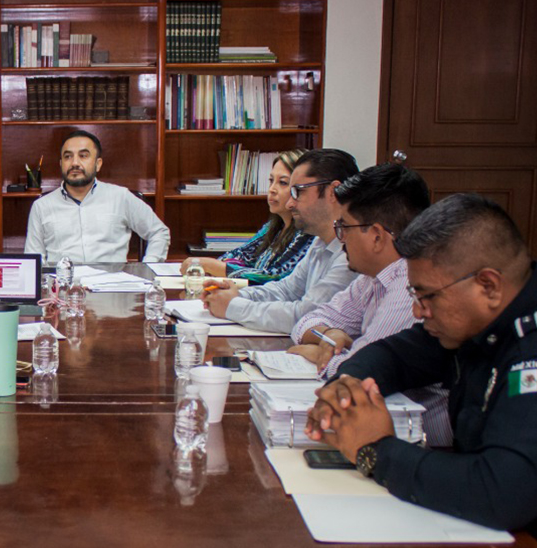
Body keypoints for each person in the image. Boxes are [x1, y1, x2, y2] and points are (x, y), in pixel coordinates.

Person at [307, 194, 537, 548]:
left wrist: (376, 450)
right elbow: (397, 354)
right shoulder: (477, 318)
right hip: (488, 533)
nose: (418, 311)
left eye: (426, 296)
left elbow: (501, 492)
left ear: (488, 285)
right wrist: (345, 385)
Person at [286, 162, 451, 446]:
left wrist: (317, 353)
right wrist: (329, 334)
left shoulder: (408, 286)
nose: (341, 238)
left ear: (376, 235)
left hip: (425, 445)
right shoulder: (371, 279)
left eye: (344, 227)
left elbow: (358, 373)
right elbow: (308, 320)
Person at [201, 148, 360, 334]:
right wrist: (236, 294)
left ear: (332, 192)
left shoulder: (352, 253)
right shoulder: (321, 242)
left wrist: (233, 306)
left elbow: (307, 316)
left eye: (298, 192)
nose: (290, 203)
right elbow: (286, 290)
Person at [24, 130, 170, 264]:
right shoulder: (42, 206)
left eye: (83, 156)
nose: (75, 163)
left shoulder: (121, 197)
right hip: (63, 287)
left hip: (112, 286)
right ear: (61, 164)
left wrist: (149, 266)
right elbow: (33, 258)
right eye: (68, 157)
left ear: (98, 164)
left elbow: (158, 232)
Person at [180, 149, 313, 284]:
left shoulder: (307, 234)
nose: (272, 189)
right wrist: (212, 266)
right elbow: (239, 255)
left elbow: (276, 277)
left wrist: (215, 267)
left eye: (283, 183)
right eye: (271, 180)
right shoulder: (273, 227)